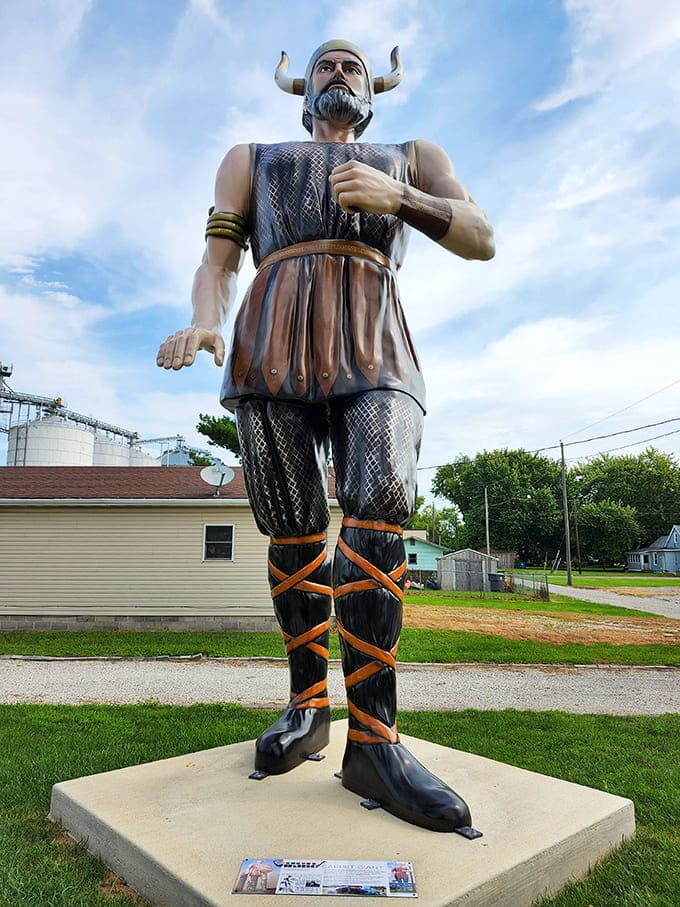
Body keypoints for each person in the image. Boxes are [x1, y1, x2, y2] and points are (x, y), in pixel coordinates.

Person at [157, 40, 494, 833]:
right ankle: (307, 707)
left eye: (353, 66)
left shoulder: (414, 156)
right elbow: (219, 259)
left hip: (375, 338)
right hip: (269, 335)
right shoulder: (250, 159)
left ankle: (374, 739)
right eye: (325, 65)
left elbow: (481, 235)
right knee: (291, 522)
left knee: (380, 503)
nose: (338, 72)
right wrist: (204, 321)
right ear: (301, 89)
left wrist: (398, 196)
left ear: (374, 91)